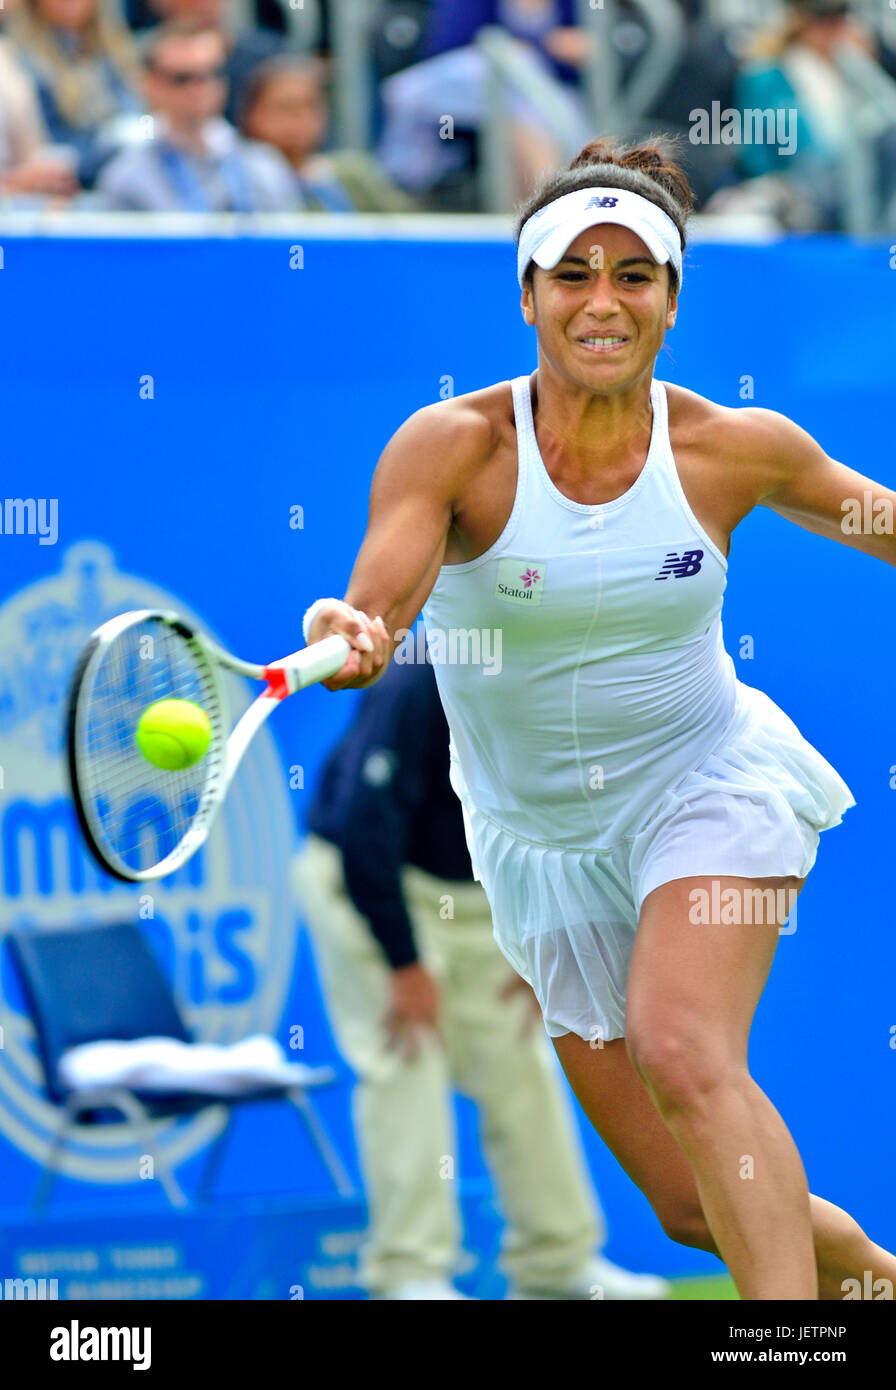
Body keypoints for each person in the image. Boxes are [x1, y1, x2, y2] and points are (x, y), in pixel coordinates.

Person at [298, 134, 896, 1300]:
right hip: (540, 849)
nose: (601, 302)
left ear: (671, 299)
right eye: (572, 272)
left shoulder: (737, 450)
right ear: (527, 293)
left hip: (706, 783)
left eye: (634, 274)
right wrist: (357, 628)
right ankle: (871, 1285)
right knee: (686, 1205)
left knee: (684, 1049)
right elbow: (378, 610)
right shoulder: (454, 447)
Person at [292, 650, 670, 1300]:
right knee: (408, 1061)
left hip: (480, 898)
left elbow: (570, 819)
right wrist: (405, 966)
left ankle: (556, 1268)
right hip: (369, 888)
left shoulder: (565, 682)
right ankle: (410, 1276)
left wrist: (543, 932)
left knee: (524, 1063)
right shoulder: (421, 683)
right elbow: (365, 828)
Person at [91, 19, 298, 211]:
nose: (198, 89)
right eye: (182, 79)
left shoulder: (263, 165)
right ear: (150, 85)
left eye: (211, 74)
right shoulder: (128, 177)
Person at [239, 55, 416, 212]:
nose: (300, 118)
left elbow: (412, 231)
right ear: (252, 114)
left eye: (311, 106)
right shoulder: (237, 180)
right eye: (286, 107)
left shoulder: (352, 175)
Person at [7, 0, 142, 187]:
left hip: (124, 177)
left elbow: (137, 120)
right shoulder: (18, 60)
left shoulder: (116, 53)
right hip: (67, 190)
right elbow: (49, 153)